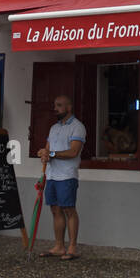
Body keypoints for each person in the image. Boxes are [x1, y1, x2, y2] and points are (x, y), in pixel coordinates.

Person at [36, 95, 86, 260]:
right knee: (55, 210)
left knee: (69, 210)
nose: (55, 108)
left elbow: (73, 152)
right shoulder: (53, 128)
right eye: (54, 105)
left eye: (59, 105)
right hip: (51, 175)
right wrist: (43, 153)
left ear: (68, 108)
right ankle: (59, 246)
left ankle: (72, 247)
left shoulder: (77, 127)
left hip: (67, 175)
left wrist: (50, 153)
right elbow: (48, 149)